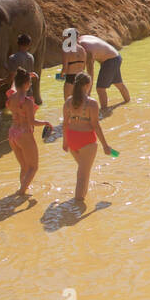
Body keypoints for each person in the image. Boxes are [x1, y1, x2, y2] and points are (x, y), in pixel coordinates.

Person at [61, 73, 115, 203]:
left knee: (83, 171)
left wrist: (65, 142)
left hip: (72, 138)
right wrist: (105, 145)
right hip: (86, 140)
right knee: (82, 175)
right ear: (87, 85)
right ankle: (78, 204)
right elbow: (96, 126)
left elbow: (65, 123)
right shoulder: (92, 103)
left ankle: (83, 195)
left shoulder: (68, 101)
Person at [7, 68, 51, 195]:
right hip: (23, 134)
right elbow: (32, 122)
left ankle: (23, 189)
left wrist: (26, 76)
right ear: (26, 84)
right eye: (29, 82)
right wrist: (45, 123)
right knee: (33, 167)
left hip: (12, 133)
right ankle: (21, 192)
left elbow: (14, 86)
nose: (30, 85)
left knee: (24, 167)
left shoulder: (11, 97)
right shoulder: (27, 102)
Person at [79, 33, 130, 109]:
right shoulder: (81, 39)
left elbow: (90, 73)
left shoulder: (86, 50)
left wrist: (88, 92)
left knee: (100, 88)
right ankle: (128, 102)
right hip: (116, 56)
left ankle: (104, 110)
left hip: (110, 60)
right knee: (118, 83)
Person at [3, 32, 40, 104]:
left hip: (17, 93)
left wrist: (1, 82)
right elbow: (28, 74)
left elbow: (11, 77)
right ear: (29, 45)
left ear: (17, 44)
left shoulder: (13, 58)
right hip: (28, 91)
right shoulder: (31, 57)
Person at [60, 28, 87, 100]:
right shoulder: (83, 50)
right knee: (80, 102)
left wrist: (60, 76)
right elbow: (83, 67)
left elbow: (65, 69)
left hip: (70, 78)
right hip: (81, 78)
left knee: (68, 103)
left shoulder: (67, 50)